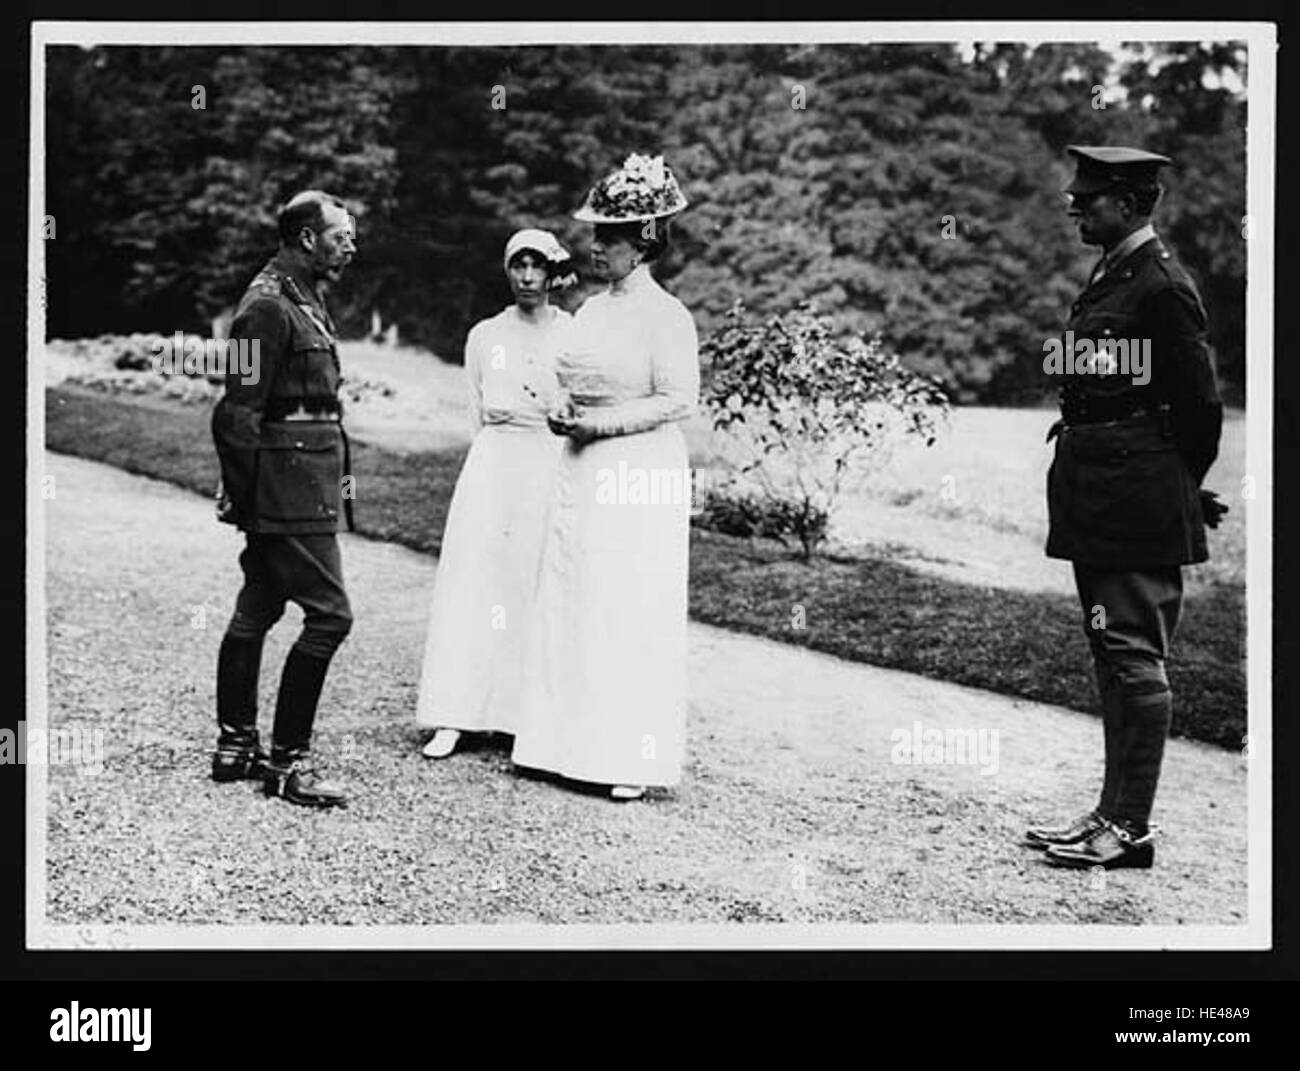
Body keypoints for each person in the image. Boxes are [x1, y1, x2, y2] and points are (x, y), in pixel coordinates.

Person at [1026, 146, 1225, 868]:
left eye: (1091, 199)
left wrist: (1175, 483)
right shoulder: (1115, 271)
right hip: (1101, 490)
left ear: (1132, 204)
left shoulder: (1164, 287)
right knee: (1112, 656)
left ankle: (1131, 829)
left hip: (1136, 495)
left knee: (1136, 659)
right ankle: (1108, 814)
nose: (1076, 206)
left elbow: (1201, 408)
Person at [511, 154, 699, 801]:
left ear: (643, 243)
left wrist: (603, 426)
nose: (596, 248)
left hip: (639, 469)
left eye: (609, 239)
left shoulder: (666, 316)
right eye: (596, 237)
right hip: (581, 466)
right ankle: (555, 741)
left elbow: (678, 399)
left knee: (626, 603)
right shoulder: (590, 311)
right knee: (572, 594)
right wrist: (563, 410)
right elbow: (565, 376)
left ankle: (628, 753)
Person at [209, 190, 358, 809]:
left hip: (298, 482)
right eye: (340, 234)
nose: (351, 244)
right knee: (330, 616)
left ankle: (235, 746)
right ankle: (286, 763)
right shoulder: (267, 308)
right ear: (305, 238)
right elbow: (235, 414)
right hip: (286, 491)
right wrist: (250, 504)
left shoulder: (304, 297)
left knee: (260, 605)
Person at [416, 229, 575, 758]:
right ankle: (455, 715)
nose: (527, 278)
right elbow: (474, 411)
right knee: (477, 581)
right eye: (518, 266)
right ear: (507, 271)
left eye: (537, 267)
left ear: (552, 272)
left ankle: (519, 716)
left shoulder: (573, 334)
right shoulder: (486, 335)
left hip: (548, 462)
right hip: (494, 463)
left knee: (534, 584)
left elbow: (580, 407)